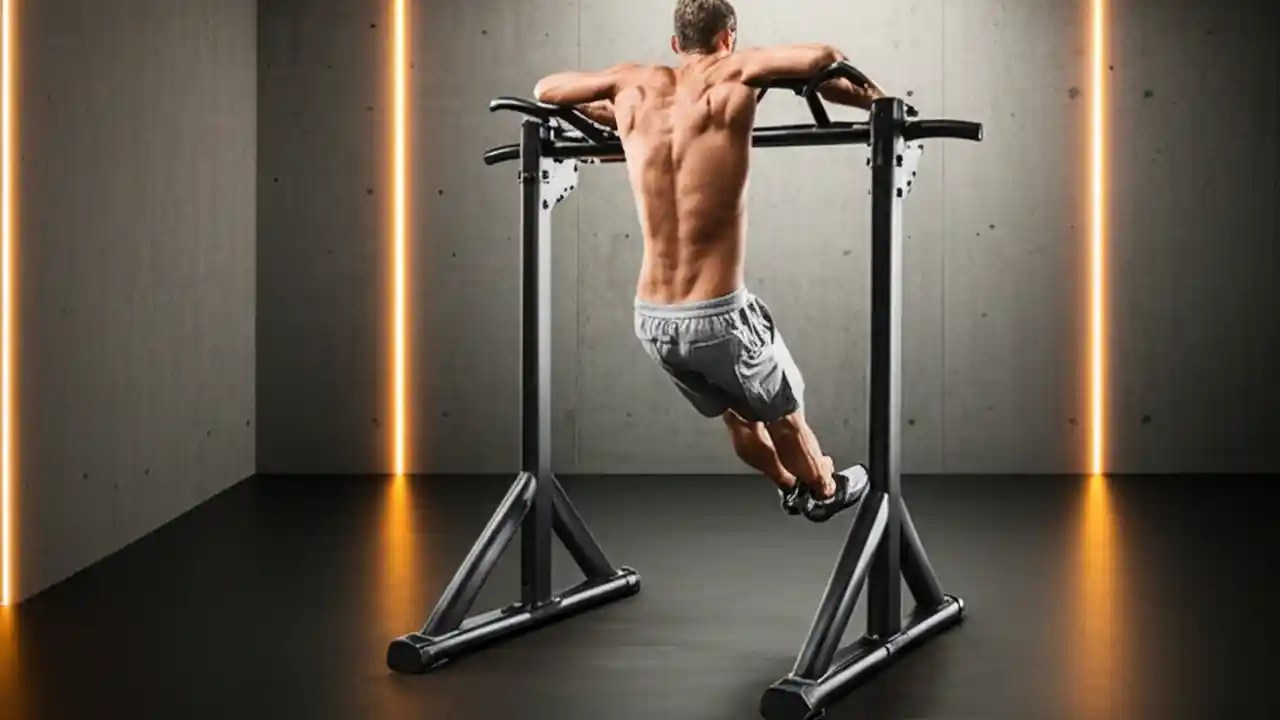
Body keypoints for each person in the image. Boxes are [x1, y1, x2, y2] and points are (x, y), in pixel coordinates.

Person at [533, 0, 884, 522]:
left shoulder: (635, 85)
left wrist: (615, 116)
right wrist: (880, 103)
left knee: (739, 418)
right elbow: (823, 58)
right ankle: (826, 490)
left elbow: (547, 91)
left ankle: (788, 485)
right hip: (718, 317)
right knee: (785, 417)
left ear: (676, 44)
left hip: (651, 319)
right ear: (728, 38)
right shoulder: (737, 71)